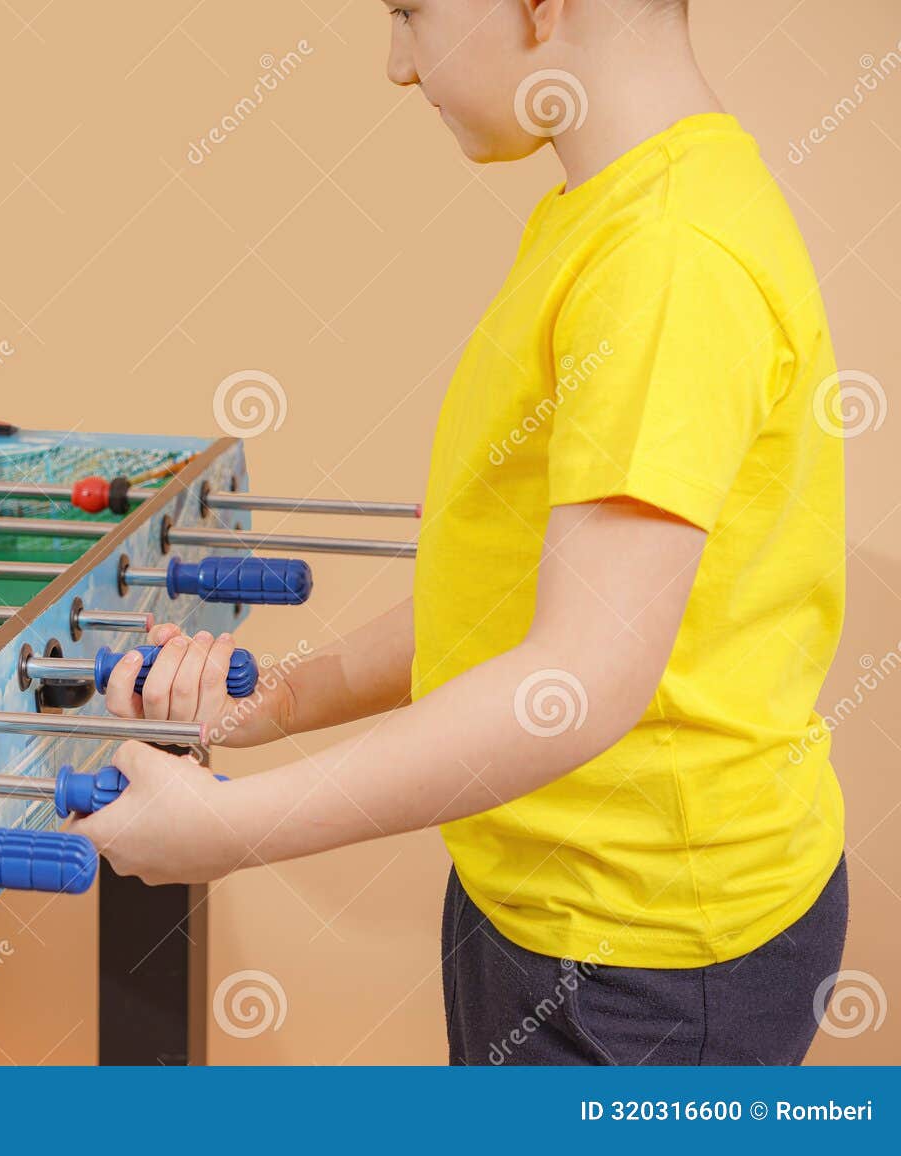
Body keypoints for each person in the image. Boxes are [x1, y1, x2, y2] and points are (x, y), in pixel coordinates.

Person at [74, 0, 847, 1067]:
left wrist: (234, 828)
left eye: (408, 12)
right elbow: (513, 601)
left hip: (645, 960)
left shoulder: (666, 258)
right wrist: (289, 699)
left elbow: (578, 677)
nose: (396, 65)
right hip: (538, 896)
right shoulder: (605, 215)